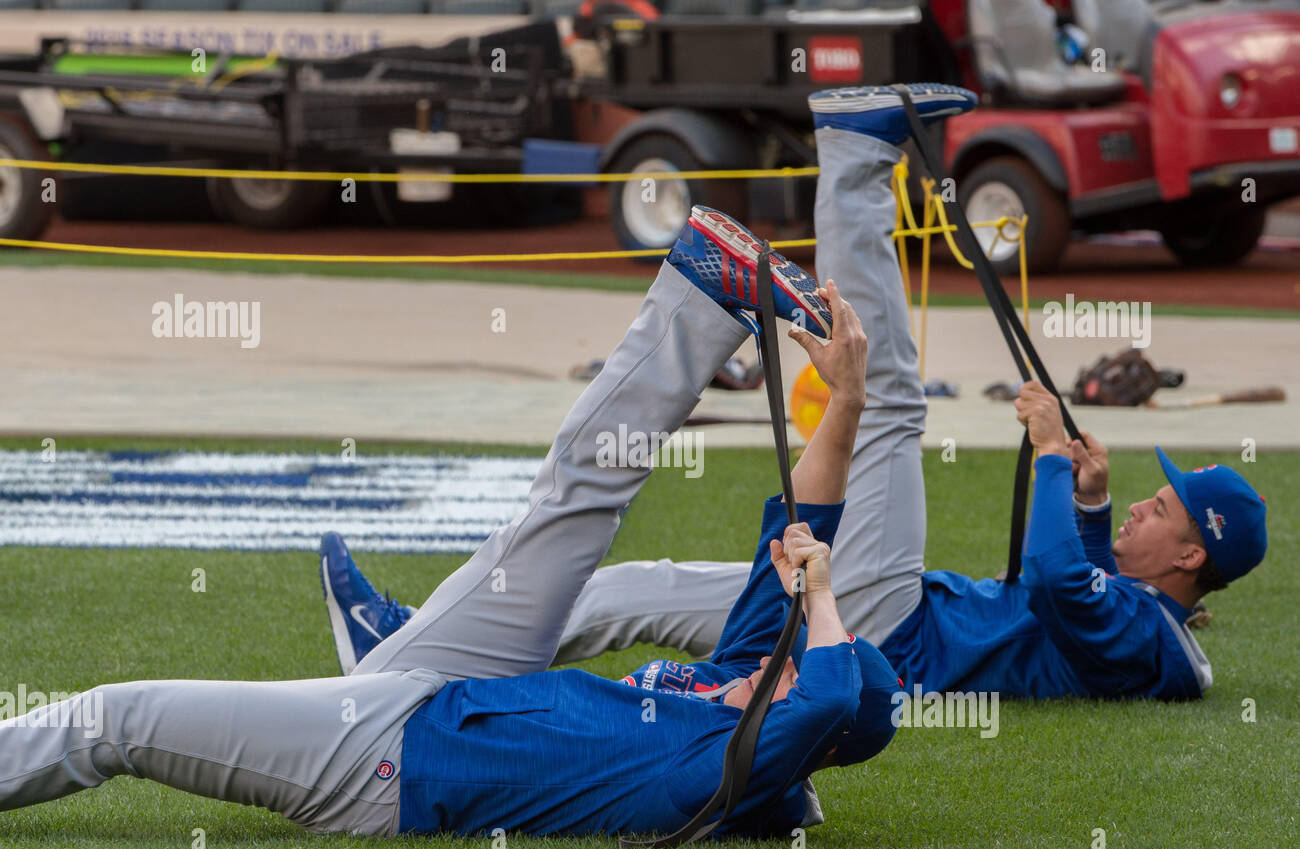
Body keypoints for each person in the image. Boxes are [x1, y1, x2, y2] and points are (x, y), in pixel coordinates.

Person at [325, 83, 1267, 703]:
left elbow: (1061, 583)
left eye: (1161, 509)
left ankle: (853, 155)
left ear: (1191, 556)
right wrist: (1093, 505)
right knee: (632, 591)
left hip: (891, 627)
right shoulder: (1140, 618)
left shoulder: (1154, 646)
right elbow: (1081, 592)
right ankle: (410, 652)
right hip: (877, 607)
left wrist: (1057, 459)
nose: (1143, 503)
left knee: (887, 403)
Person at [0, 202, 903, 840]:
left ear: (804, 734)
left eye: (796, 672)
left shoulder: (726, 769)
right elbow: (808, 516)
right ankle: (701, 297)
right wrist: (848, 400)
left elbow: (827, 697)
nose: (780, 664)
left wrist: (825, 604)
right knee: (570, 507)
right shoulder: (747, 684)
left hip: (387, 759)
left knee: (116, 719)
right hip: (461, 684)